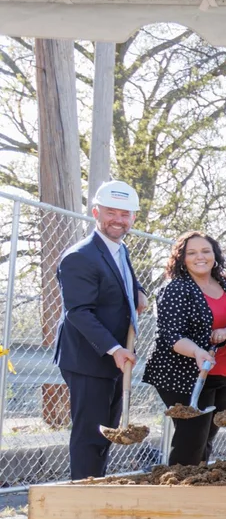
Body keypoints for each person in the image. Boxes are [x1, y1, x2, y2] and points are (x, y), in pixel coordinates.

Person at [53, 180, 149, 479]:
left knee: (106, 433)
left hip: (113, 359)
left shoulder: (119, 250)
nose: (118, 220)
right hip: (89, 358)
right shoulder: (80, 256)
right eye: (111, 212)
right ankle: (82, 495)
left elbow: (120, 282)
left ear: (133, 217)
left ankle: (96, 489)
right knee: (90, 436)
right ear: (96, 212)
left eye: (125, 214)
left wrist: (139, 291)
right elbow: (78, 312)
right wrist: (115, 349)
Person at [142, 231, 226, 466]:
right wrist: (198, 351)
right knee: (192, 440)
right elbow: (171, 335)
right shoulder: (176, 288)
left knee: (206, 438)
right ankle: (177, 484)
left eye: (206, 251)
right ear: (182, 258)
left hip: (224, 370)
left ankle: (198, 483)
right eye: (192, 253)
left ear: (215, 255)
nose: (200, 257)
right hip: (184, 372)